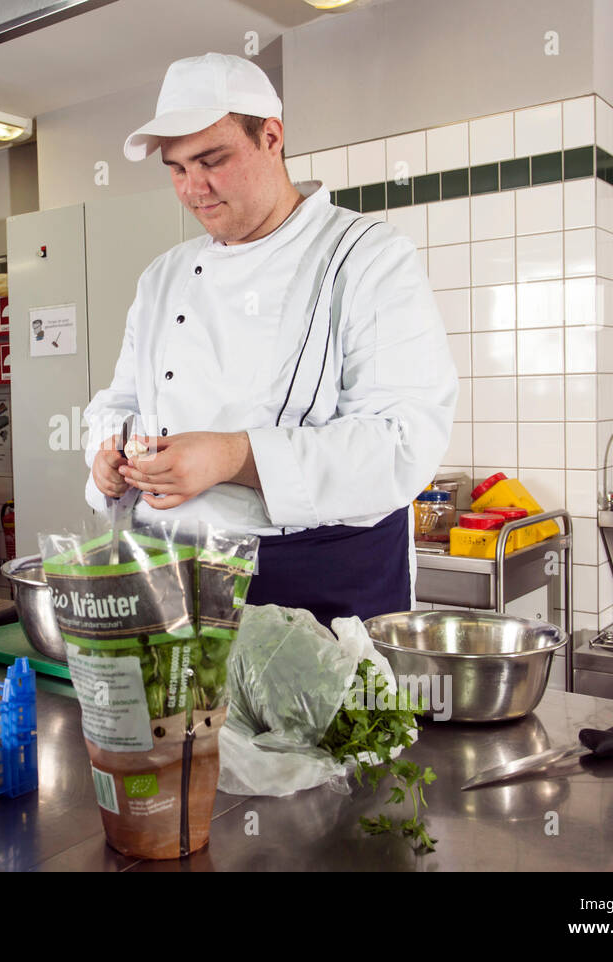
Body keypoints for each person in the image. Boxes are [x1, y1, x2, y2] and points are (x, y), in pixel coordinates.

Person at [83, 52, 458, 624]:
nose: (194, 188)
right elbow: (121, 402)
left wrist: (235, 455)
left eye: (212, 160)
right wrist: (107, 452)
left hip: (315, 578)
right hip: (169, 572)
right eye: (177, 169)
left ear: (271, 137)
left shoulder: (366, 257)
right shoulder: (163, 276)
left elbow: (402, 443)